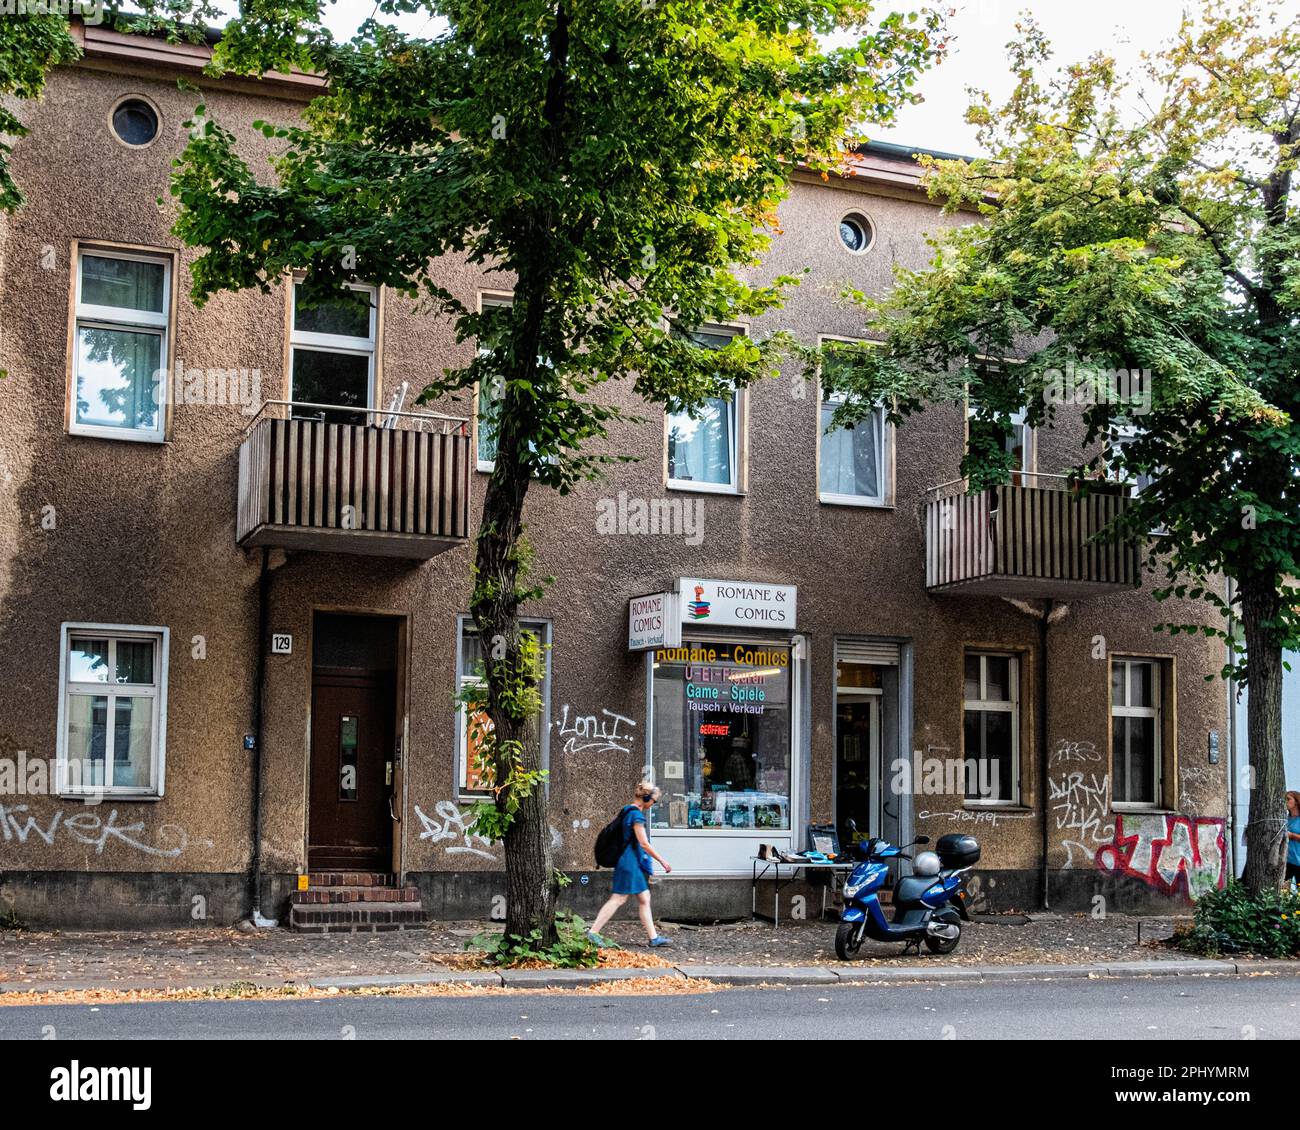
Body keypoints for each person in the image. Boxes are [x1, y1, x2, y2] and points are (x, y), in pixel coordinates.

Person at [588, 781, 673, 947]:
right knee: (618, 898)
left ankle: (654, 938)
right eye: (654, 801)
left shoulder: (627, 809)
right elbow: (644, 843)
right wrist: (662, 861)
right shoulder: (636, 816)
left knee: (644, 897)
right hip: (629, 863)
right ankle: (593, 932)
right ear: (647, 798)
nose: (653, 804)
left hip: (628, 860)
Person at [1286, 791, 1300, 887]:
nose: (1285, 802)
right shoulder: (1286, 819)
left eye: (1288, 799)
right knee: (1282, 889)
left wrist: (1292, 836)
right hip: (1287, 860)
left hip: (1299, 860)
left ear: (1296, 802)